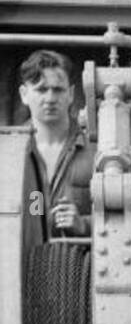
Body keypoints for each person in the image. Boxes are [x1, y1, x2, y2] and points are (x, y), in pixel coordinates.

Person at [19, 49, 93, 241]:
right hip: (20, 267)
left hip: (79, 266)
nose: (50, 98)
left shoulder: (97, 152)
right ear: (24, 94)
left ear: (71, 94)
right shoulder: (9, 153)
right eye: (42, 89)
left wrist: (83, 224)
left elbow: (130, 220)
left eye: (58, 89)